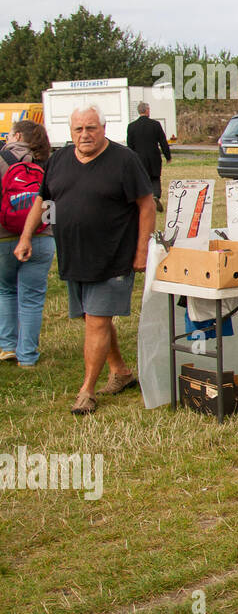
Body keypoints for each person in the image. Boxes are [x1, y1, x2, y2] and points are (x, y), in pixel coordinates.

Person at [15, 105, 155, 415]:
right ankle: (120, 371)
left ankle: (87, 390)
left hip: (113, 255)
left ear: (103, 128)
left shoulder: (124, 160)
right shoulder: (60, 160)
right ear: (71, 132)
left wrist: (142, 250)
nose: (85, 134)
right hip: (74, 255)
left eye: (91, 128)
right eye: (78, 129)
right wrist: (26, 237)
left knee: (97, 321)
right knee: (90, 317)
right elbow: (43, 198)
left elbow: (147, 205)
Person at [0, 121, 55, 367]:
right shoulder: (48, 162)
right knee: (32, 298)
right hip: (42, 235)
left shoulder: (1, 157)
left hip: (5, 236)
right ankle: (27, 355)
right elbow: (53, 203)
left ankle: (7, 346)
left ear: (17, 135)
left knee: (5, 290)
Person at [126, 101, 171, 210]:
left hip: (139, 159)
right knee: (155, 178)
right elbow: (163, 141)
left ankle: (144, 200)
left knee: (142, 179)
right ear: (147, 110)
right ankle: (156, 196)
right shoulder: (155, 124)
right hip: (154, 157)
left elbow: (130, 145)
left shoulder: (131, 126)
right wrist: (167, 156)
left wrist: (130, 160)